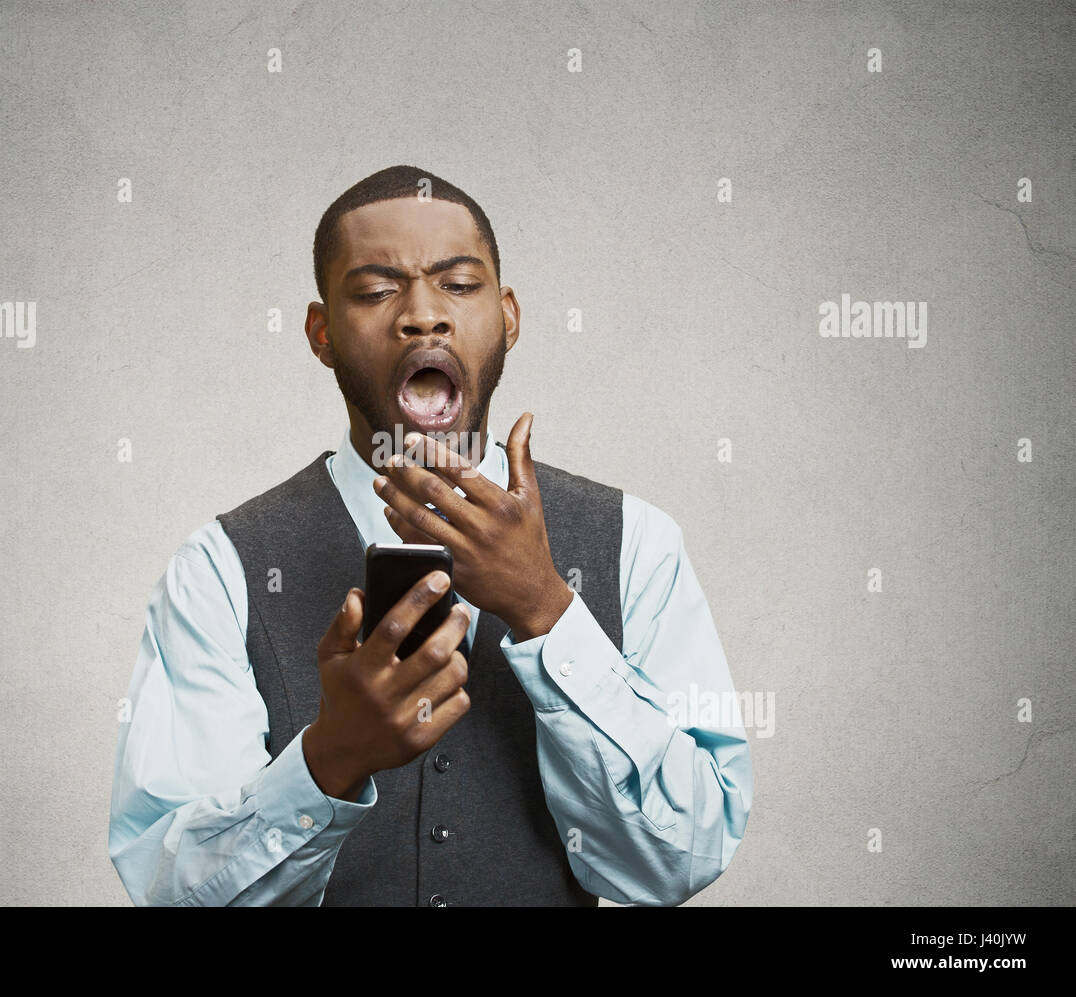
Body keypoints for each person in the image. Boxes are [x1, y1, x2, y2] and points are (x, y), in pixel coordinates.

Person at [107, 165, 752, 906]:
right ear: (321, 334)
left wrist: (546, 609)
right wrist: (329, 760)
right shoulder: (219, 569)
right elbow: (174, 890)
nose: (421, 315)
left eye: (458, 283)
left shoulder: (637, 541)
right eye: (377, 290)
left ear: (509, 316)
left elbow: (681, 858)